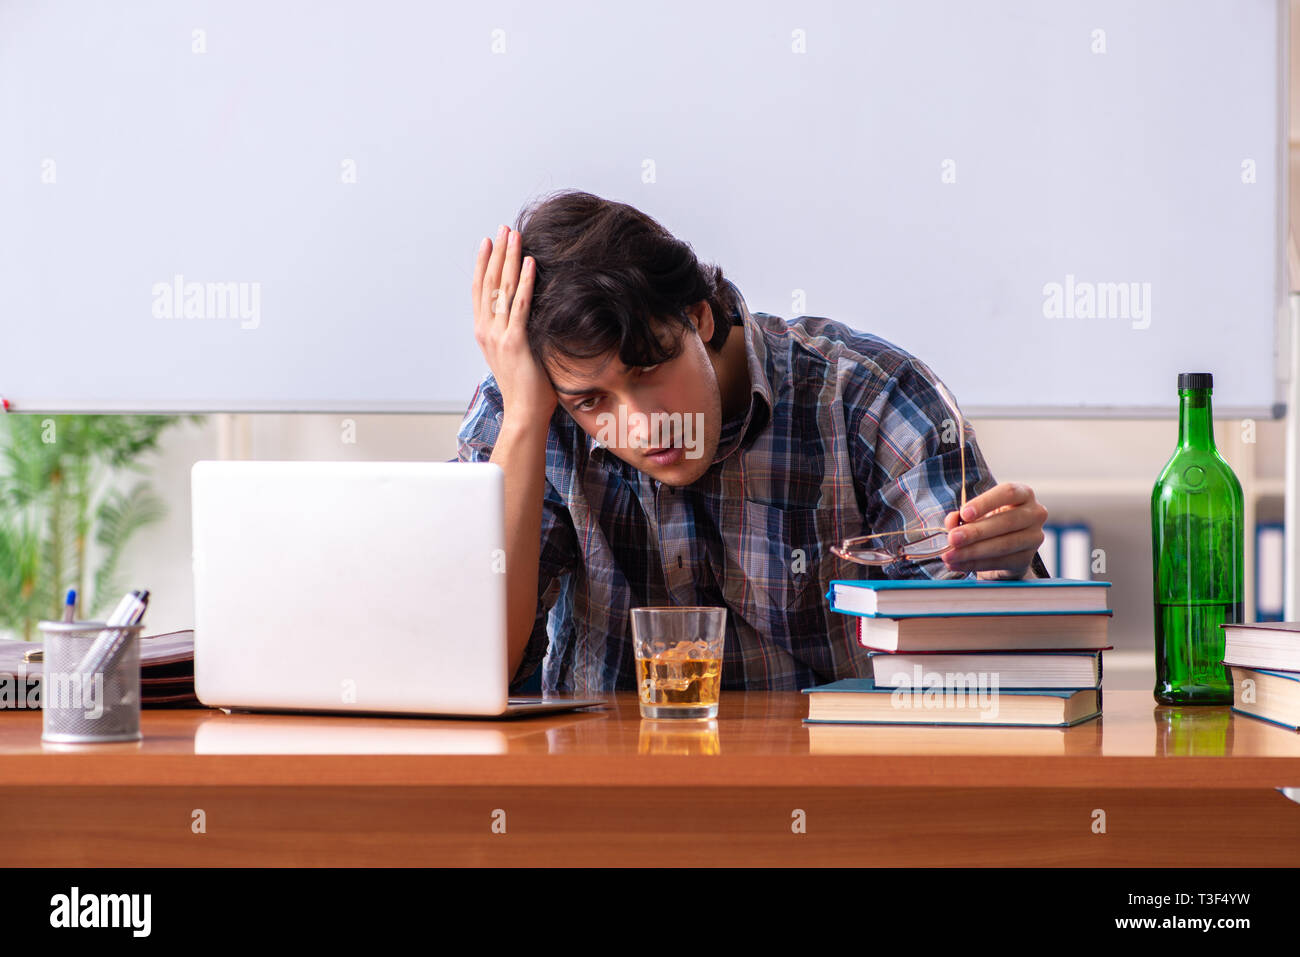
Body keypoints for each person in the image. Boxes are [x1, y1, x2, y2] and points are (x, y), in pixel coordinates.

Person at [458, 190, 1049, 695]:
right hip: (605, 803)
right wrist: (525, 424)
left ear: (700, 317)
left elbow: (987, 671)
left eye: (648, 370)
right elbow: (472, 668)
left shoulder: (866, 397)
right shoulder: (529, 408)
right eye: (592, 402)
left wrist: (1003, 572)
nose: (640, 426)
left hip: (837, 789)